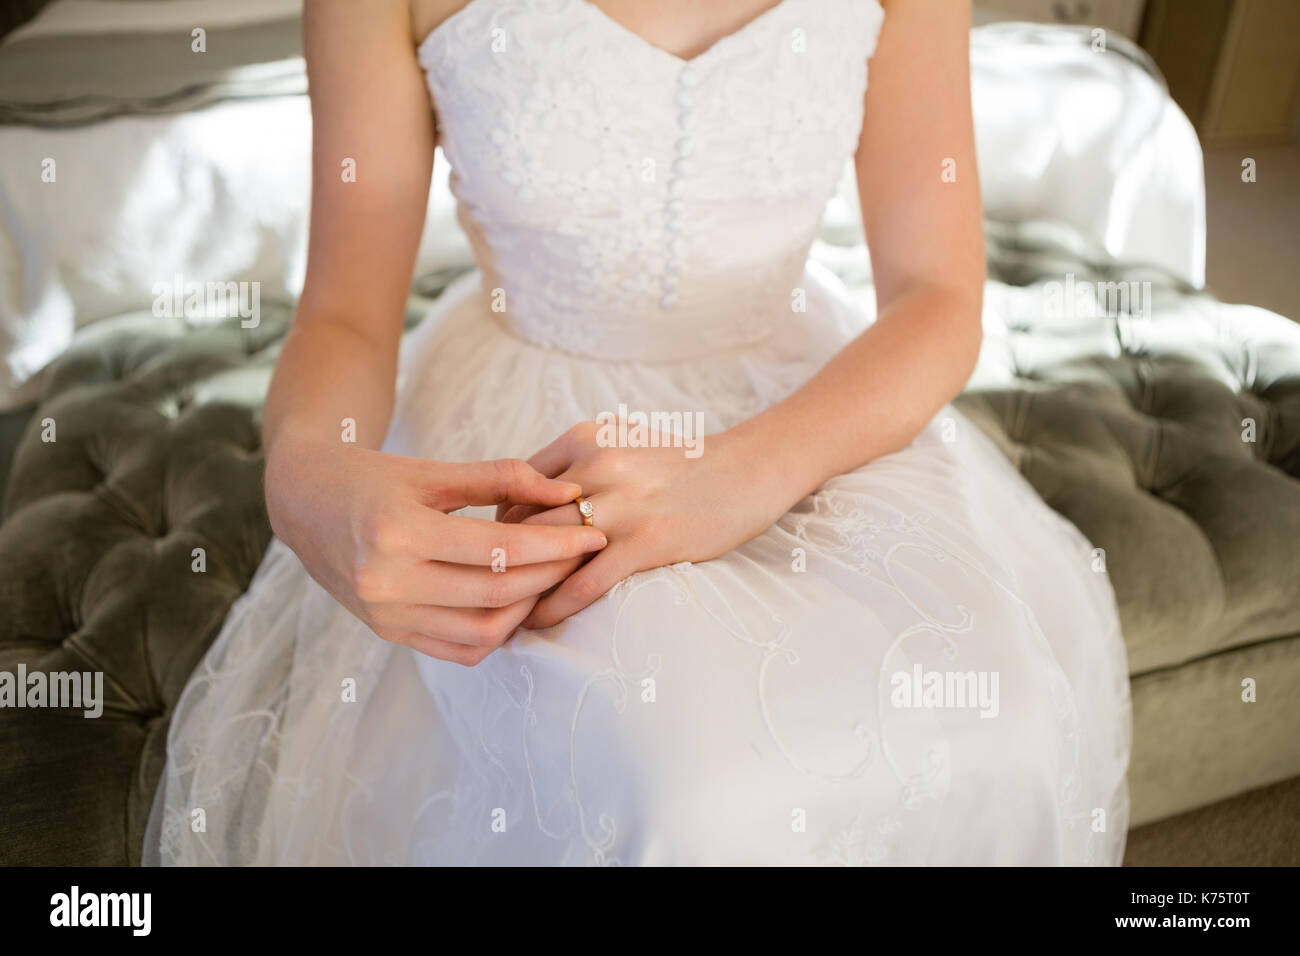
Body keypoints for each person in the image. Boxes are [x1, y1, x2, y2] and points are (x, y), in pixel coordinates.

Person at [147, 0, 1132, 866]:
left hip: (809, 405)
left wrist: (733, 476)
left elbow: (939, 295)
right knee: (675, 785)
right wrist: (307, 472)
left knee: (1000, 722)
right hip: (536, 424)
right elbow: (349, 314)